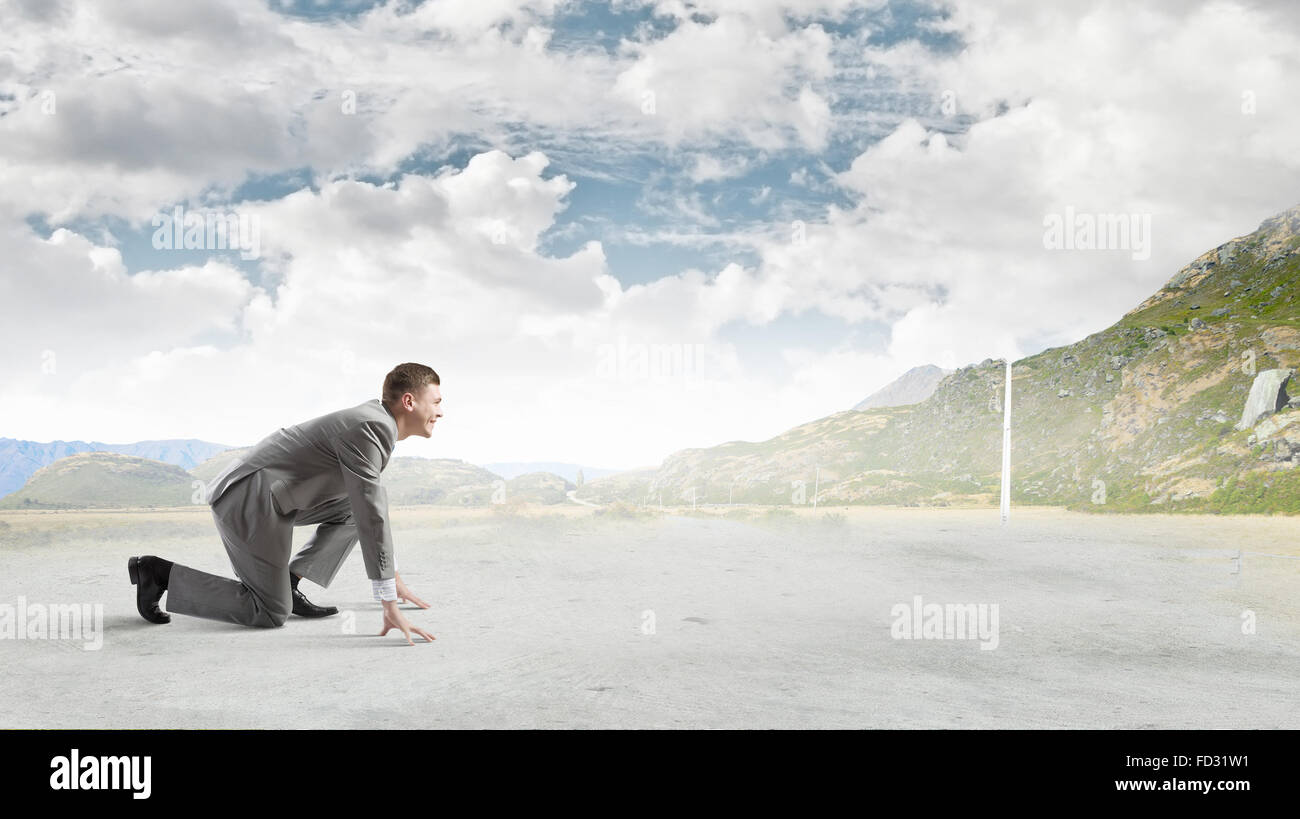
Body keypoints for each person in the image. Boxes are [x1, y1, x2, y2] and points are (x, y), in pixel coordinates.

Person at [127, 362, 443, 645]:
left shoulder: (375, 423)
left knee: (353, 509)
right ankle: (159, 573)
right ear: (409, 401)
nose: (440, 412)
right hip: (248, 498)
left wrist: (393, 577)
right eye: (437, 402)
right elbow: (371, 512)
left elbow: (369, 510)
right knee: (270, 611)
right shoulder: (370, 426)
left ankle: (289, 583)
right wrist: (388, 601)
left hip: (276, 498)